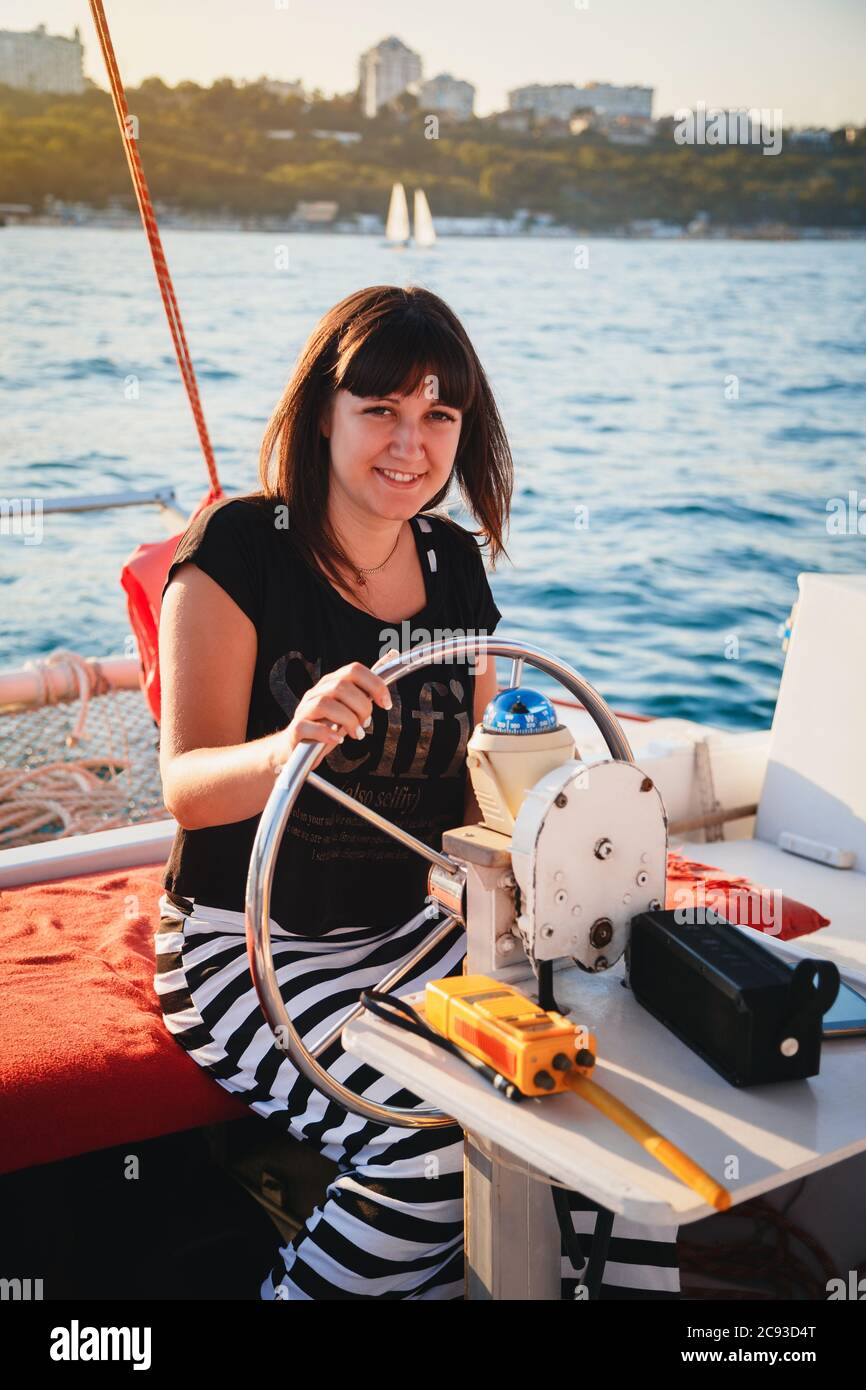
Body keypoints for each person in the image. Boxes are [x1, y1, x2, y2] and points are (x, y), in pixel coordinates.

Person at [153, 282, 680, 1299]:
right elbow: (185, 790)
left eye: (438, 414)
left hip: (416, 931)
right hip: (250, 943)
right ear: (322, 413)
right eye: (380, 409)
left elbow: (487, 772)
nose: (411, 442)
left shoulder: (451, 564)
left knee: (613, 1112)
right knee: (433, 1151)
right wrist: (285, 746)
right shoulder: (236, 549)